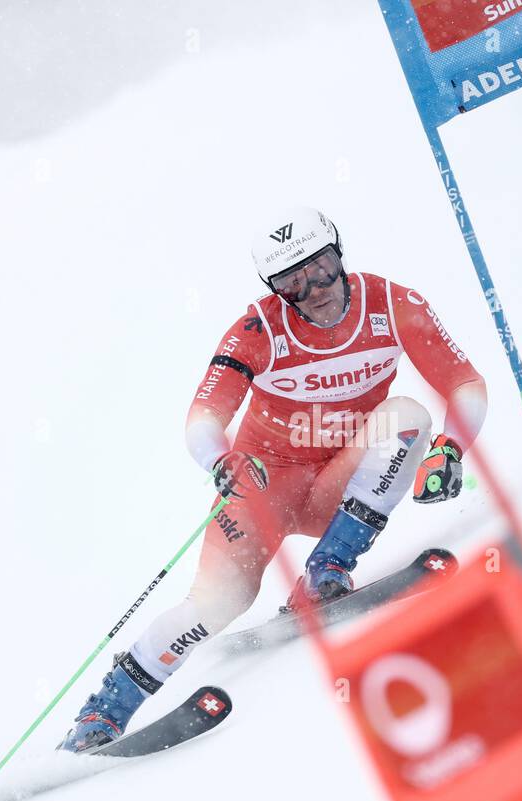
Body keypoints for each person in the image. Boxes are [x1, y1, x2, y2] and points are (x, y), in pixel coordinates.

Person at [60, 207, 488, 752]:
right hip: (262, 493)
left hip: (339, 484)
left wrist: (451, 449)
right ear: (274, 288)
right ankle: (102, 716)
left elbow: (466, 383)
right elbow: (202, 418)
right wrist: (220, 460)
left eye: (323, 268)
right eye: (293, 282)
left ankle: (328, 571)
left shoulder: (392, 304)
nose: (314, 290)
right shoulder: (258, 330)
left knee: (407, 418)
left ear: (340, 255)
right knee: (217, 605)